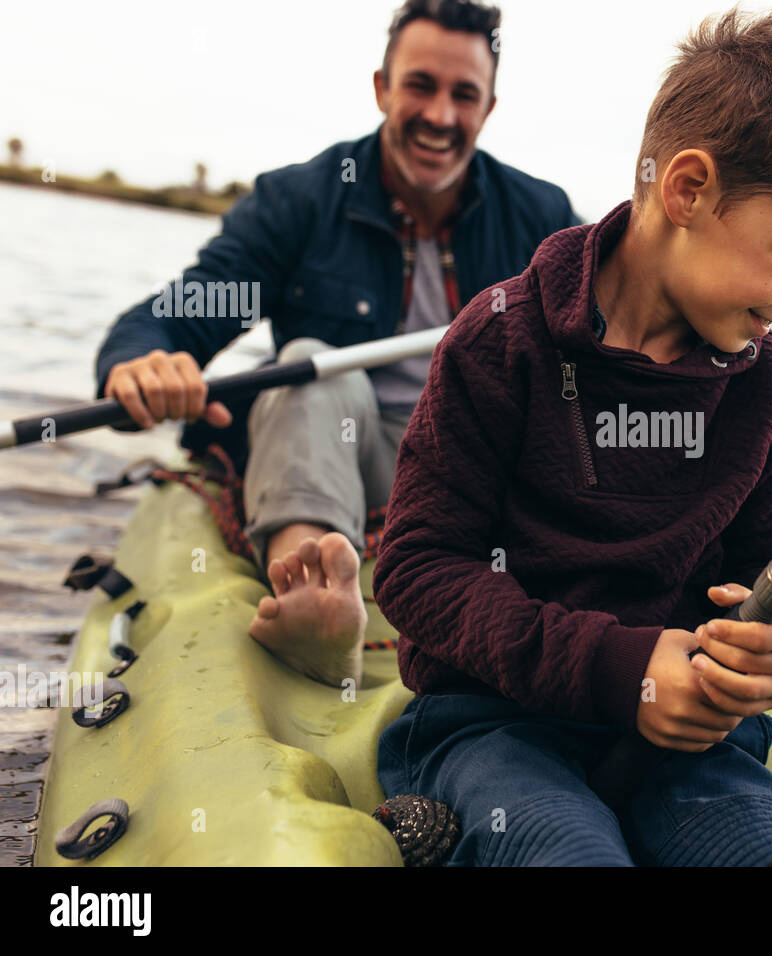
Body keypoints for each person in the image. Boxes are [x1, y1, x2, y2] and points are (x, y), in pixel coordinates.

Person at [372, 10, 772, 866]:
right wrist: (620, 669)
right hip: (495, 725)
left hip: (692, 750)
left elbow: (767, 569)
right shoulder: (499, 340)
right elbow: (416, 569)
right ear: (689, 190)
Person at [93, 0, 579, 687]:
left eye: (462, 95)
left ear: (488, 109)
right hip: (343, 456)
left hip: (473, 467)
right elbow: (180, 314)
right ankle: (316, 590)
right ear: (382, 88)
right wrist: (141, 360)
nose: (440, 115)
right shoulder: (301, 200)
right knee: (305, 365)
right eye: (420, 86)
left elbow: (618, 320)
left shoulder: (542, 216)